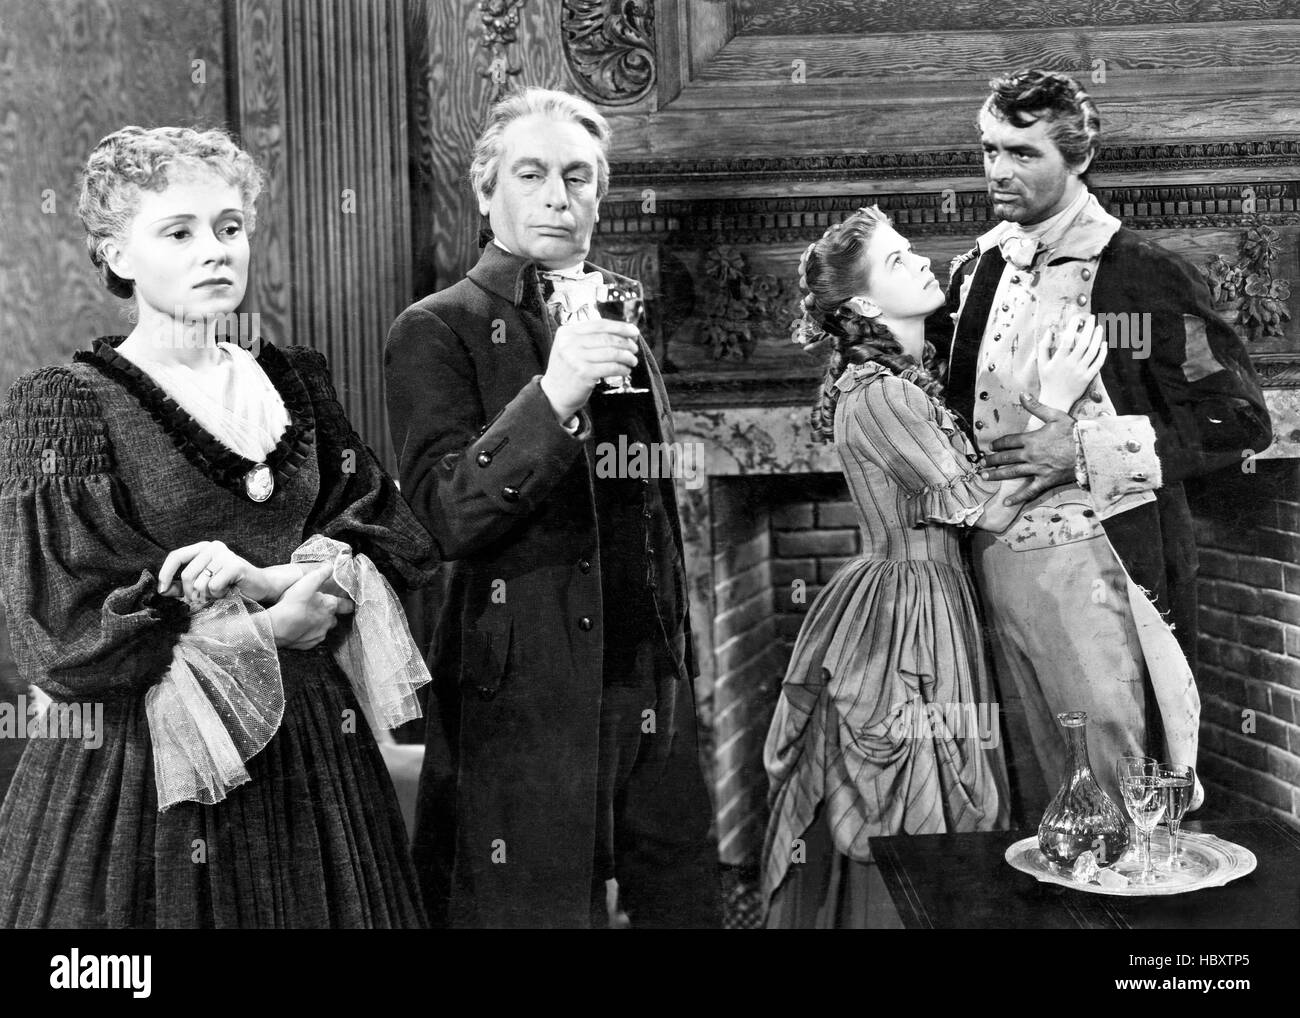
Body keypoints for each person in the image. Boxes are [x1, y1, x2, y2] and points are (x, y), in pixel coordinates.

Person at [0, 126, 436, 928]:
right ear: (118, 256)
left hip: (310, 746)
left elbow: (385, 529)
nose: (216, 251)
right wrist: (270, 628)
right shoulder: (64, 405)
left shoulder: (293, 379)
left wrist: (273, 580)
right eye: (180, 232)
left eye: (230, 228)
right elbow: (65, 631)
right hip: (146, 768)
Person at [385, 87, 720, 929]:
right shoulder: (437, 327)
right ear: (486, 190)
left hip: (647, 677)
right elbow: (446, 517)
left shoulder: (621, 316)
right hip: (521, 693)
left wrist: (679, 658)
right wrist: (554, 395)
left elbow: (651, 512)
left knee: (679, 901)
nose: (555, 197)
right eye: (530, 175)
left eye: (577, 177)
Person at [762, 206, 1106, 927]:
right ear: (862, 305)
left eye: (910, 248)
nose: (920, 262)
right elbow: (992, 511)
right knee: (917, 794)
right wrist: (1056, 408)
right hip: (908, 615)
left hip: (925, 594)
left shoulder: (901, 381)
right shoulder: (885, 393)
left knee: (941, 786)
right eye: (897, 261)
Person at [944, 69, 1271, 812]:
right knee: (1041, 796)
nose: (997, 170)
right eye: (989, 150)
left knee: (1122, 788)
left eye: (1023, 154)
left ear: (1078, 159)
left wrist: (1083, 448)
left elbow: (1240, 419)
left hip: (1105, 558)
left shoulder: (1145, 274)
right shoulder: (981, 266)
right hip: (996, 557)